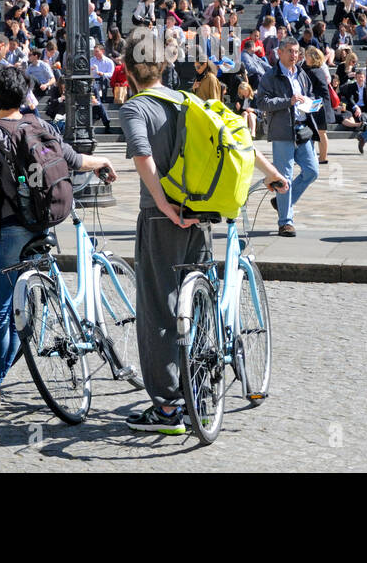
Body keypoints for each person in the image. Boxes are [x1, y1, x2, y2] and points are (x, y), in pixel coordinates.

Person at [116, 27, 285, 433]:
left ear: (127, 69)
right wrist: (274, 174)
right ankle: (203, 387)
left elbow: (143, 158)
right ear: (165, 64)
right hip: (203, 210)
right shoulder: (188, 100)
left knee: (159, 307)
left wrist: (164, 205)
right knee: (198, 296)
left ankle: (169, 410)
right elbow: (239, 139)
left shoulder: (136, 107)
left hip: (164, 217)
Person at [0, 65, 116, 409]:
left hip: (9, 227)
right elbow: (72, 159)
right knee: (19, 307)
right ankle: (1, 370)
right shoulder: (41, 125)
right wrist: (102, 161)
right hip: (42, 223)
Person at [255, 37, 319, 237]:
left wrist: (311, 103)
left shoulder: (301, 73)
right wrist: (287, 101)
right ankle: (285, 222)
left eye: (297, 51)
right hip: (283, 132)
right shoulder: (270, 76)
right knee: (284, 178)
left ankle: (283, 202)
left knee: (312, 171)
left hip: (302, 129)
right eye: (290, 51)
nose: (295, 55)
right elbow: (262, 102)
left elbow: (308, 92)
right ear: (280, 53)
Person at [302, 46, 335, 163]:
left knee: (321, 132)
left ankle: (323, 157)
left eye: (307, 55)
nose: (305, 57)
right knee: (319, 132)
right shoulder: (317, 70)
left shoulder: (314, 72)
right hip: (320, 104)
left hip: (319, 106)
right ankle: (320, 157)